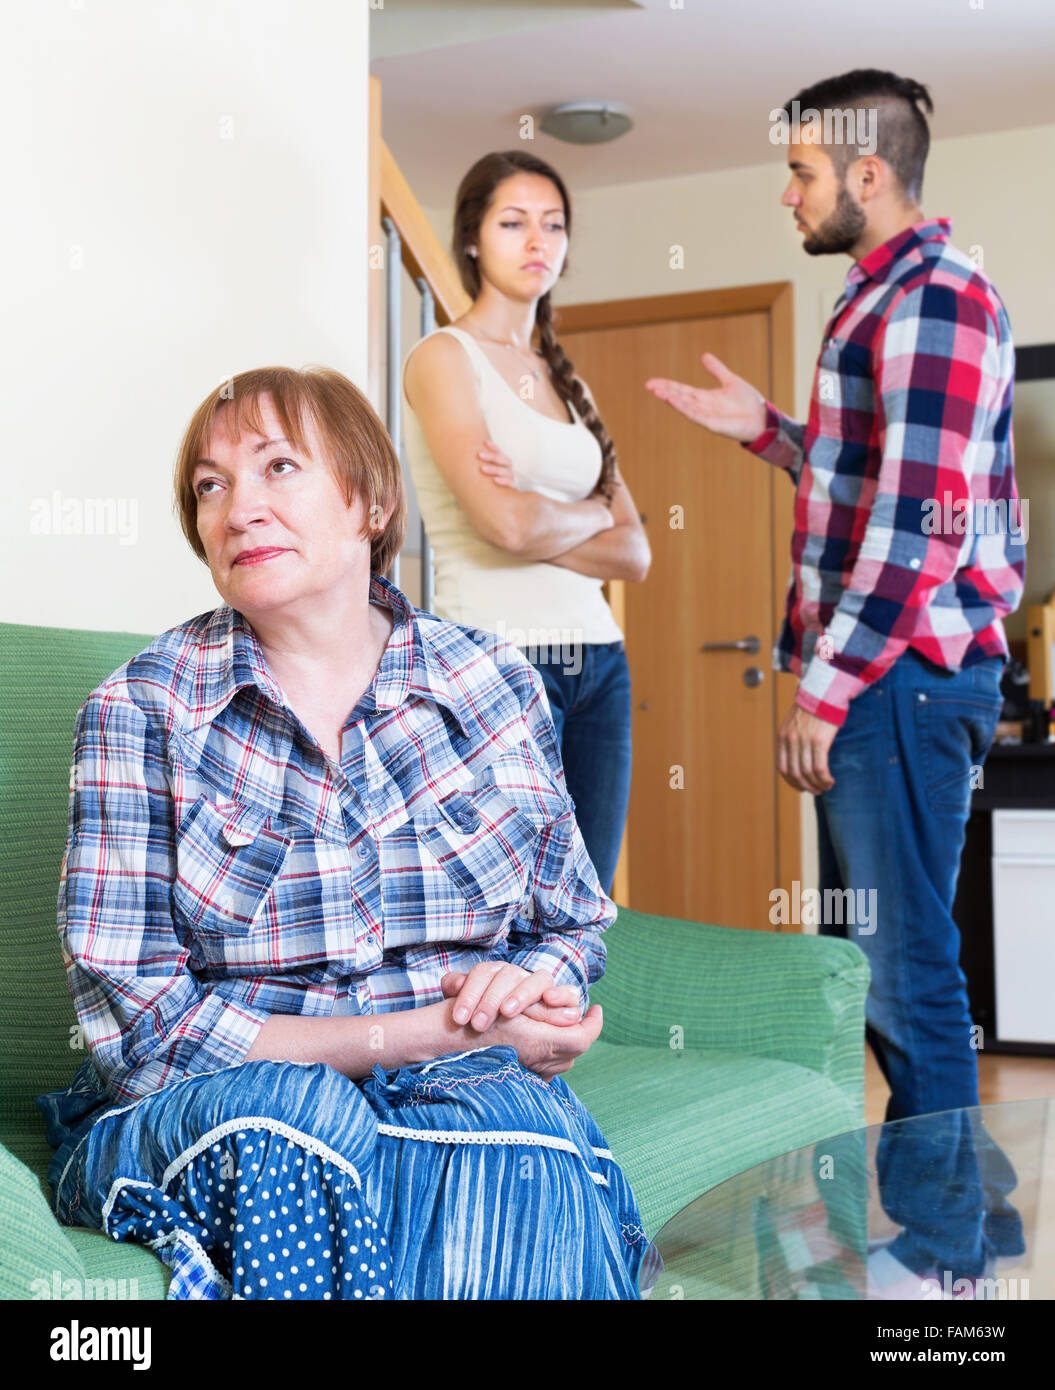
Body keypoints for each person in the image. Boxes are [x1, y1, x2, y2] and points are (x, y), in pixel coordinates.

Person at [36, 365, 649, 1300]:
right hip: (215, 1102)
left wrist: (537, 991)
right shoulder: (139, 709)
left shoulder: (490, 684)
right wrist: (433, 1031)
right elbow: (144, 1034)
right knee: (295, 1125)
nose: (239, 508)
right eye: (211, 485)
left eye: (279, 468)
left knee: (516, 1147)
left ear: (369, 500)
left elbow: (567, 926)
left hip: (456, 1079)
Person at [646, 69, 1026, 1297]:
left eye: (801, 170)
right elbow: (876, 484)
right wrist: (768, 430)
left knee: (904, 964)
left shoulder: (931, 302)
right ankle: (969, 1225)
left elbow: (912, 536)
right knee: (895, 955)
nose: (786, 191)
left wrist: (821, 688)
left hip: (899, 686)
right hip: (899, 682)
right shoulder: (882, 304)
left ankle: (941, 1258)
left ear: (868, 175)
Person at [403, 150, 650, 896]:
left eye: (553, 225)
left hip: (600, 665)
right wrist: (588, 513)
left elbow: (634, 552)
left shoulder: (562, 378)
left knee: (585, 902)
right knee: (508, 903)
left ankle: (571, 1016)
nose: (537, 241)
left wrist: (544, 515)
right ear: (472, 239)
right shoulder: (444, 357)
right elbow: (500, 529)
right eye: (513, 223)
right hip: (500, 660)